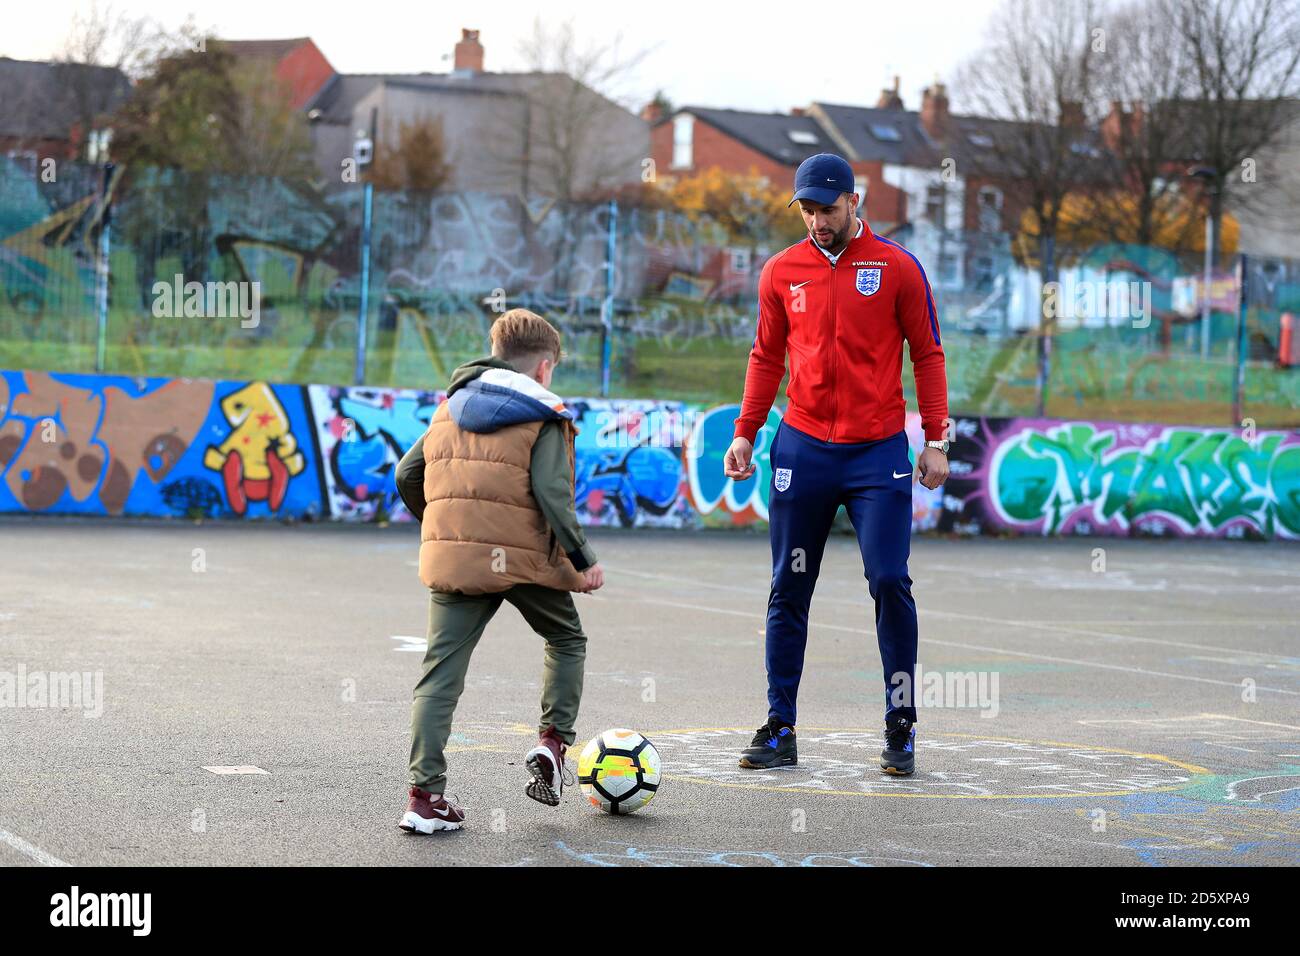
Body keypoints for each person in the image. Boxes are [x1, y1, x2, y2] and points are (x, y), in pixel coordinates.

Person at [723, 152, 950, 776]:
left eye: (829, 208)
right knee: (788, 587)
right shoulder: (780, 271)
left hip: (877, 453)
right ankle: (780, 727)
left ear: (855, 202)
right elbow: (766, 356)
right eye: (809, 210)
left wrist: (936, 439)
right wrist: (745, 434)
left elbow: (928, 355)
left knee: (887, 579)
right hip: (802, 449)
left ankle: (900, 728)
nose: (818, 220)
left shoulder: (898, 268)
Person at [393, 308, 603, 833]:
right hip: (523, 559)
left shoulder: (450, 407)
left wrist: (445, 526)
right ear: (542, 367)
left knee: (439, 674)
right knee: (566, 638)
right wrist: (583, 560)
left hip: (457, 558)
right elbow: (553, 494)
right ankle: (553, 741)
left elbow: (406, 473)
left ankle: (424, 799)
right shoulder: (544, 414)